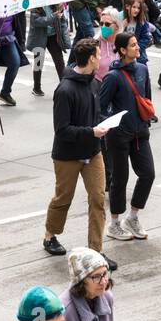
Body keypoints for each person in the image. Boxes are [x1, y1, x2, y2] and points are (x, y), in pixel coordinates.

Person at [43, 39, 117, 270]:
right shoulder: (65, 90)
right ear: (92, 59)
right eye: (98, 54)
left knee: (97, 199)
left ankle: (96, 251)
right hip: (67, 155)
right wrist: (92, 131)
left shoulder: (94, 83)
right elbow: (62, 130)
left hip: (92, 152)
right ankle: (49, 235)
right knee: (63, 197)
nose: (102, 58)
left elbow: (94, 116)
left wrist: (109, 123)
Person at [97, 31, 155, 242]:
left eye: (136, 44)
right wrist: (113, 125)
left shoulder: (142, 69)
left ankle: (132, 217)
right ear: (122, 50)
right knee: (120, 180)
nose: (137, 47)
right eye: (133, 45)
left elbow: (146, 97)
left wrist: (145, 120)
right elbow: (101, 107)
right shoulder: (112, 77)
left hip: (140, 133)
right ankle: (114, 224)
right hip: (119, 136)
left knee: (148, 174)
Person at [62, 248, 117, 321]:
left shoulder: (107, 297)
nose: (103, 282)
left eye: (105, 274)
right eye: (96, 277)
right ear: (81, 281)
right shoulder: (64, 310)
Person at [28, 3, 71, 97]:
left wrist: (61, 15)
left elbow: (62, 20)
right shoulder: (36, 6)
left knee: (59, 62)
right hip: (39, 37)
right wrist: (54, 16)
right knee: (38, 63)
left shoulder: (54, 3)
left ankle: (64, 86)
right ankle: (36, 87)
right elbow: (37, 21)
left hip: (53, 36)